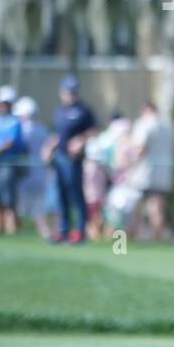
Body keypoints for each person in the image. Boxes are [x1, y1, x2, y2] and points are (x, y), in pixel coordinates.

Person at [42, 75, 97, 244]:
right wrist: (48, 146)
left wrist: (80, 140)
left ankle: (80, 231)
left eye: (73, 92)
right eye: (67, 91)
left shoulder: (84, 110)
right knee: (61, 195)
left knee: (76, 195)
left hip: (74, 160)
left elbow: (93, 130)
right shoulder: (59, 111)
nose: (70, 95)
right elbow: (57, 134)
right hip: (58, 157)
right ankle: (63, 230)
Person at [129, 101, 174, 242]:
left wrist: (130, 166)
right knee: (158, 207)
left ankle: (132, 238)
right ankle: (158, 239)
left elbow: (140, 148)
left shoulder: (145, 125)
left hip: (144, 173)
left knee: (137, 206)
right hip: (163, 174)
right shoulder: (168, 127)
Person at [0, 85, 26, 234]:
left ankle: (11, 229)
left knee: (9, 198)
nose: (4, 106)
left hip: (9, 163)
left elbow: (10, 142)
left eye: (7, 103)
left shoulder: (15, 122)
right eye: (2, 103)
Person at [13, 97, 53, 239]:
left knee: (18, 210)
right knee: (38, 212)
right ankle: (45, 235)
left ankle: (16, 235)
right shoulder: (42, 129)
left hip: (24, 176)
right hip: (39, 175)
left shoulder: (22, 129)